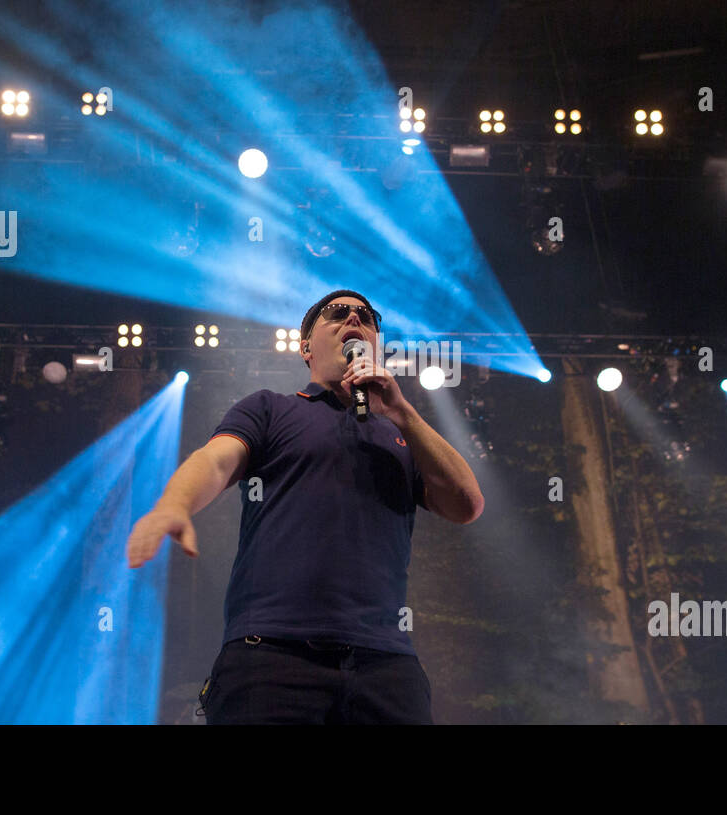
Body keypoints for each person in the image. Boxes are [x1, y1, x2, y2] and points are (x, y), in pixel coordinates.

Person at [126, 290, 484, 724]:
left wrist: (402, 412)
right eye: (338, 313)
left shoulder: (404, 436)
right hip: (272, 655)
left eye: (367, 316)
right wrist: (174, 504)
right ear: (306, 347)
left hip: (385, 664)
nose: (354, 318)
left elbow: (467, 504)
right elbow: (215, 461)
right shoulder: (270, 409)